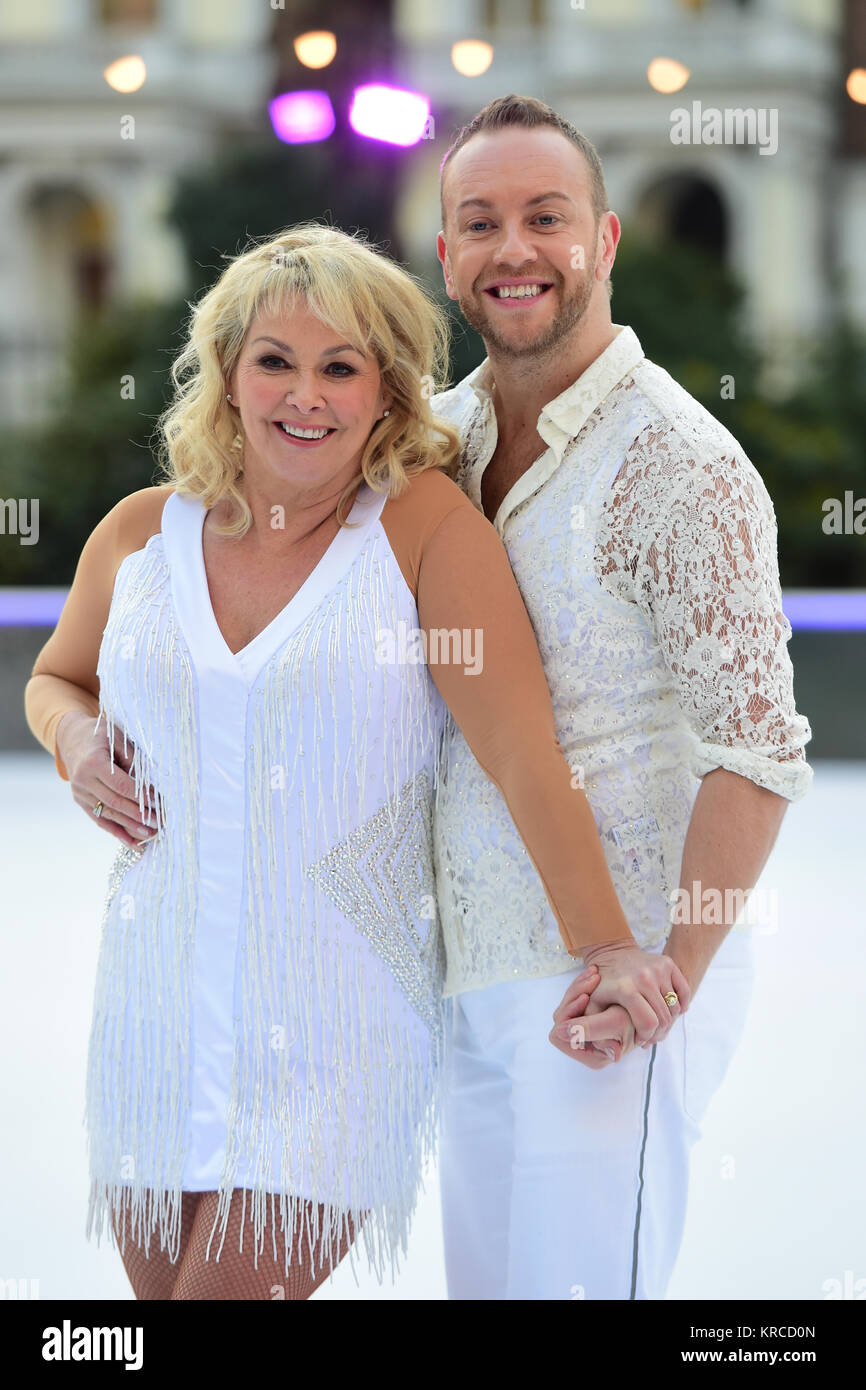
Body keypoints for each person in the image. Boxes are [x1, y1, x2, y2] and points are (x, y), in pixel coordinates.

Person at [23, 223, 684, 1301]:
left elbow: (520, 750)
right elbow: (55, 679)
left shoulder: (419, 529)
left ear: (388, 389)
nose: (307, 395)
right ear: (227, 373)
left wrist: (607, 942)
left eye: (342, 366)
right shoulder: (140, 533)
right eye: (275, 361)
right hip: (153, 1019)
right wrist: (76, 740)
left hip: (333, 1031)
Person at [430, 95, 814, 1300]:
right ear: (444, 256)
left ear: (602, 241)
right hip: (466, 967)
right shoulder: (432, 441)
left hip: (616, 977)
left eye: (546, 217)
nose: (514, 250)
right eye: (479, 222)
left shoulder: (681, 464)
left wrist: (661, 981)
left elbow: (755, 753)